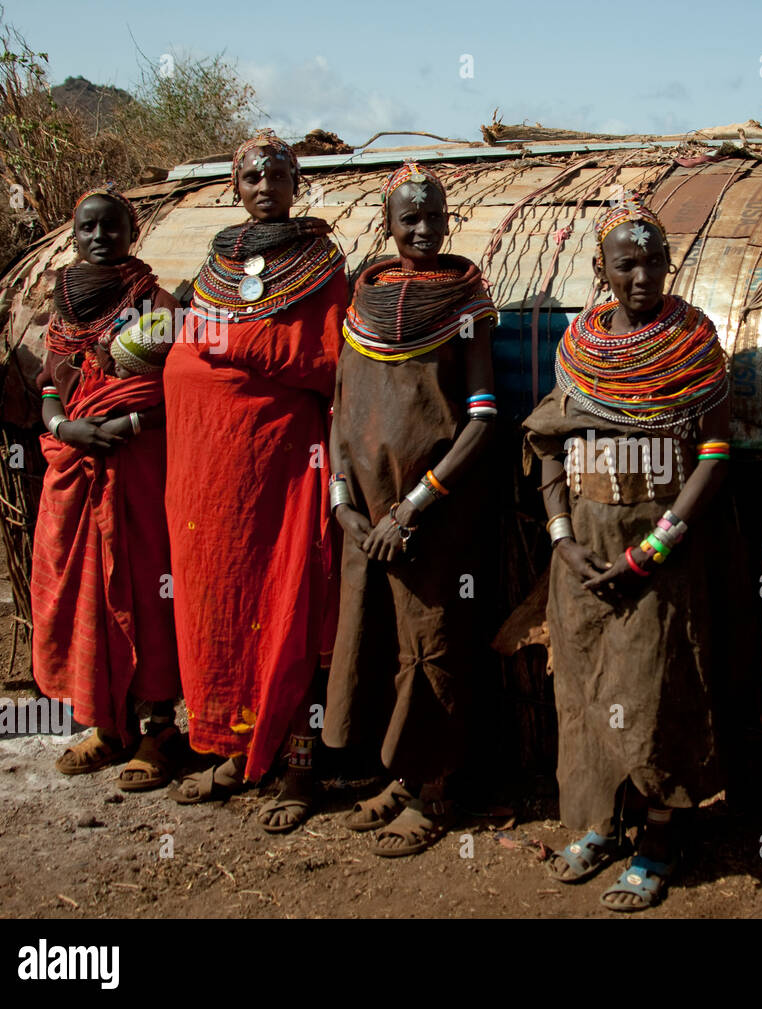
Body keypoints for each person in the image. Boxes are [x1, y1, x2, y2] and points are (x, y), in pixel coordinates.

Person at [522, 193, 731, 912]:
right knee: (583, 693)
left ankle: (661, 839)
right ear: (600, 268)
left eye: (655, 262)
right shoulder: (577, 347)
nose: (643, 276)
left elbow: (713, 453)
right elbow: (548, 441)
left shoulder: (694, 341)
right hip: (580, 550)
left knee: (652, 691)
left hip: (657, 549)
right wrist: (561, 538)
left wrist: (653, 549)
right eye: (627, 263)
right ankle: (600, 823)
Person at [163, 130, 346, 833]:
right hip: (211, 478)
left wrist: (231, 344)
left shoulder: (322, 263)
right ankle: (234, 746)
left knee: (288, 603)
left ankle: (298, 763)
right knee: (219, 604)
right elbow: (183, 341)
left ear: (296, 182)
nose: (263, 184)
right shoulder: (213, 264)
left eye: (276, 173)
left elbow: (326, 358)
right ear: (232, 187)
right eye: (250, 176)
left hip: (283, 468)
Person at [321, 164, 497, 856]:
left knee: (431, 644)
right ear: (387, 222)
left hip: (433, 511)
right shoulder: (361, 303)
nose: (423, 229)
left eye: (434, 216)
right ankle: (400, 773)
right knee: (379, 640)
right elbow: (340, 410)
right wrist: (344, 504)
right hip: (365, 513)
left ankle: (437, 791)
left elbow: (481, 421)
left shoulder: (466, 303)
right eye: (409, 217)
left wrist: (414, 505)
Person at [33, 184, 181, 791]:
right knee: (84, 591)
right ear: (74, 235)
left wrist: (129, 423)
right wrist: (64, 425)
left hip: (139, 469)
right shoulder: (62, 305)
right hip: (74, 465)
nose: (100, 237)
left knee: (146, 592)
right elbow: (47, 382)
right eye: (89, 227)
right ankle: (104, 725)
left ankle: (158, 728)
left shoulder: (157, 301)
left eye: (112, 227)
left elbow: (185, 389)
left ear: (132, 232)